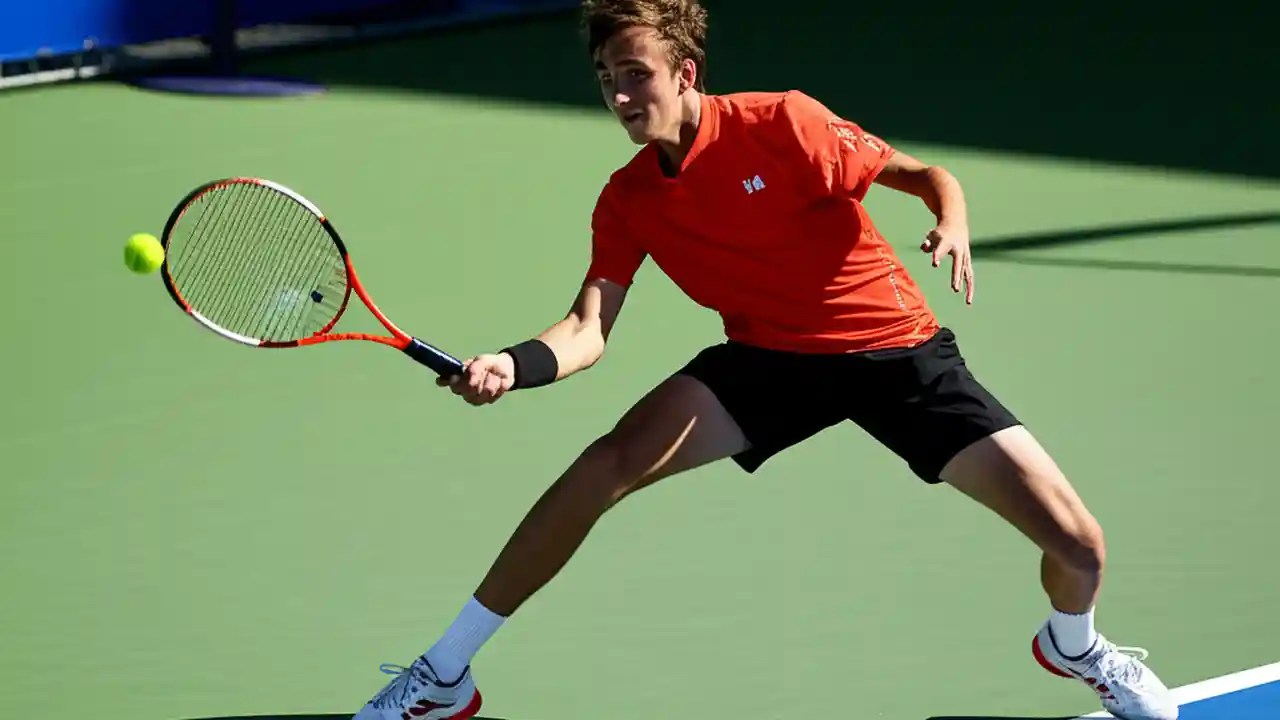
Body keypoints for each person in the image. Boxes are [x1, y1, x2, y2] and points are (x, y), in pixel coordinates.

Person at [353, 1, 1179, 719]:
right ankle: (444, 674)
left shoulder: (784, 123)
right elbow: (587, 326)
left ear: (687, 71)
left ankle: (1074, 647)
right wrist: (511, 362)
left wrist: (951, 218)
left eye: (636, 73)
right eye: (607, 75)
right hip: (768, 361)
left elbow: (927, 174)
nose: (620, 93)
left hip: (895, 353)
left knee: (1079, 548)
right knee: (600, 468)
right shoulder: (629, 197)